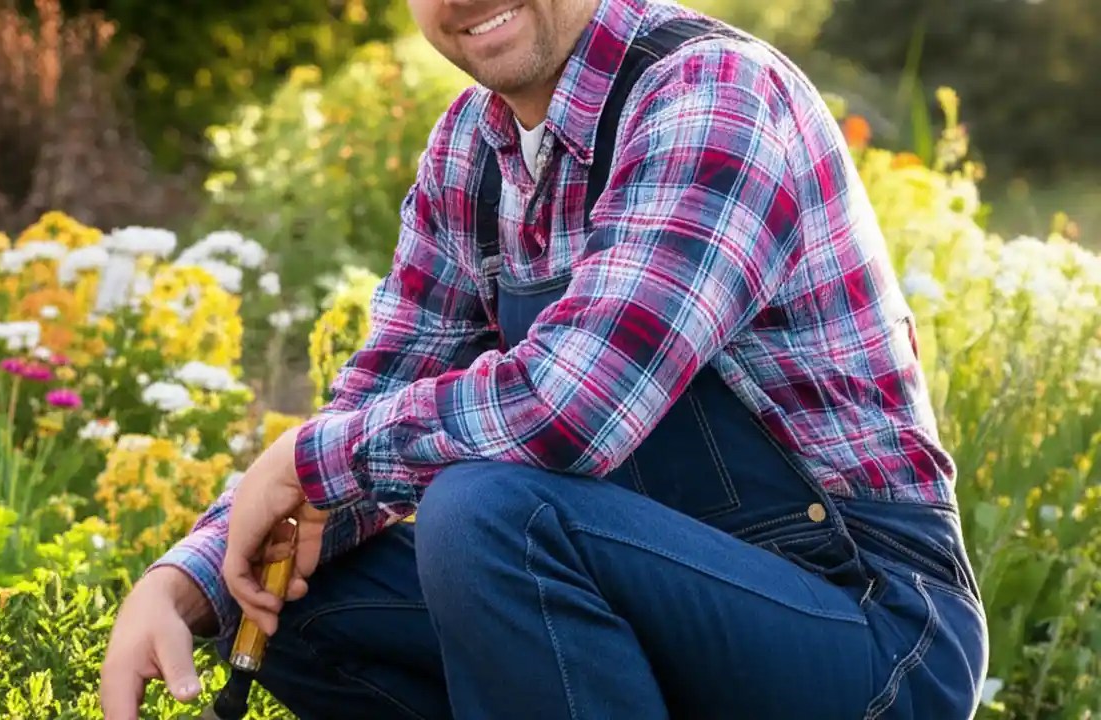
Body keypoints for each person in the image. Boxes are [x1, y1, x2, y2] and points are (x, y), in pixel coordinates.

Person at [99, 0, 990, 717]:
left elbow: (576, 411)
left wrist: (304, 461)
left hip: (862, 622)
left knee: (489, 513)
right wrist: (193, 577)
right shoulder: (468, 151)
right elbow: (382, 388)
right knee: (292, 597)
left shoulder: (711, 93)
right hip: (636, 595)